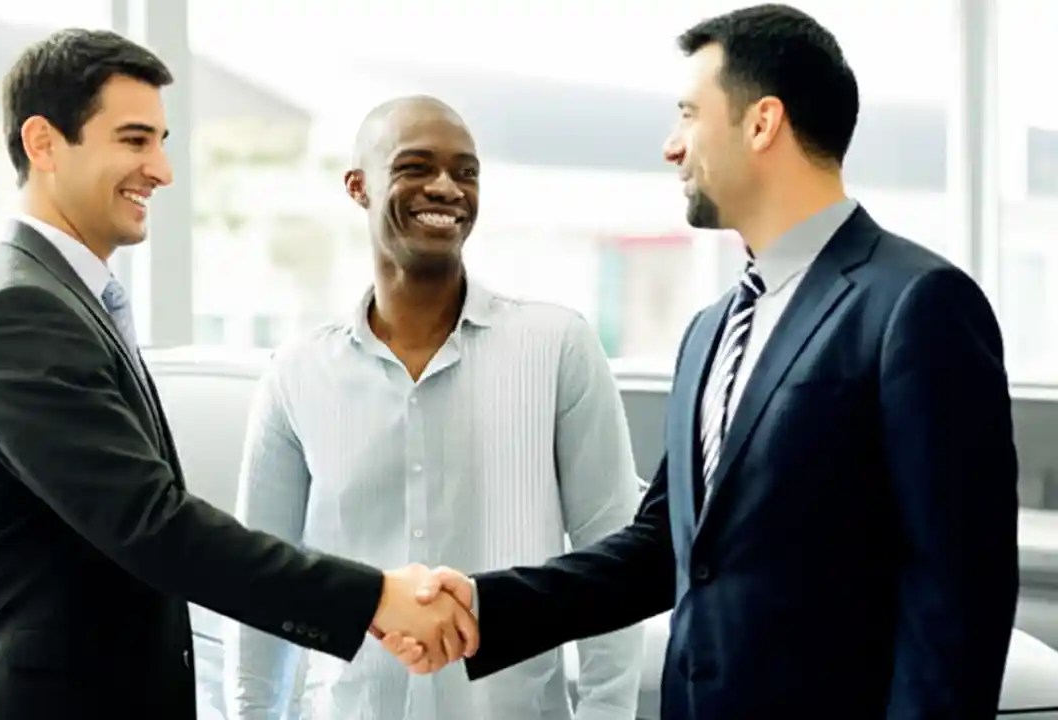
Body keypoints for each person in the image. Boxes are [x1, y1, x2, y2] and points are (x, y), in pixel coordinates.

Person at [389, 5, 1020, 719]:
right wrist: (483, 604)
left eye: (689, 114)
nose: (671, 146)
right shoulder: (709, 330)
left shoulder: (918, 304)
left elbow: (958, 600)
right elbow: (662, 551)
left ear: (762, 123)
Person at [0, 30, 475, 720]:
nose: (161, 169)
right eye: (134, 140)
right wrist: (372, 600)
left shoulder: (61, 298)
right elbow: (152, 524)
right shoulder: (18, 309)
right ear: (43, 144)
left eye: (160, 140)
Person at [222, 95, 646, 720]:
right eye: (415, 166)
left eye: (466, 172)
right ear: (359, 186)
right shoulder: (296, 373)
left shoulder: (559, 347)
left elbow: (614, 560)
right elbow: (260, 588)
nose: (446, 188)